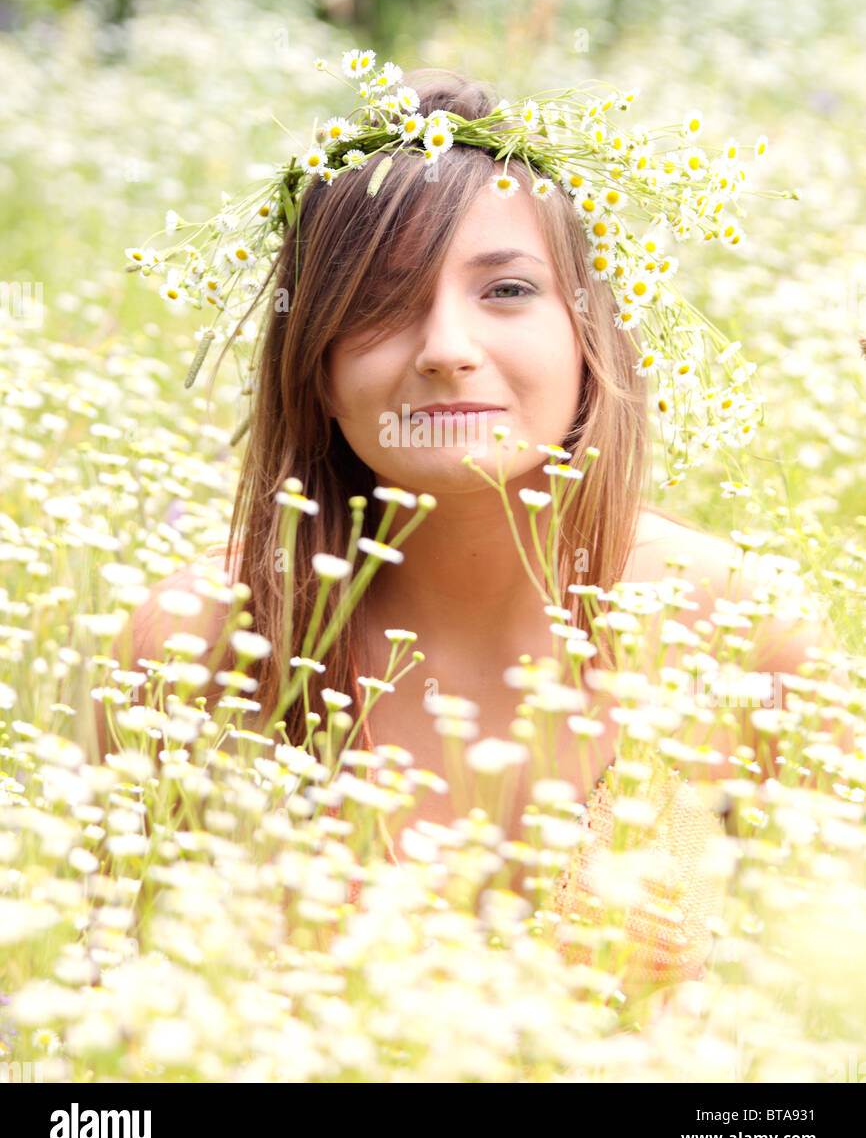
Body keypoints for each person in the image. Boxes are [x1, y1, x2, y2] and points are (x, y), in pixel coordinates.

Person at [107, 65, 841, 990]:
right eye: (378, 303)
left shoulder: (740, 632)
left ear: (589, 337)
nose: (448, 349)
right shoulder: (195, 650)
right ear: (319, 368)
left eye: (505, 292)